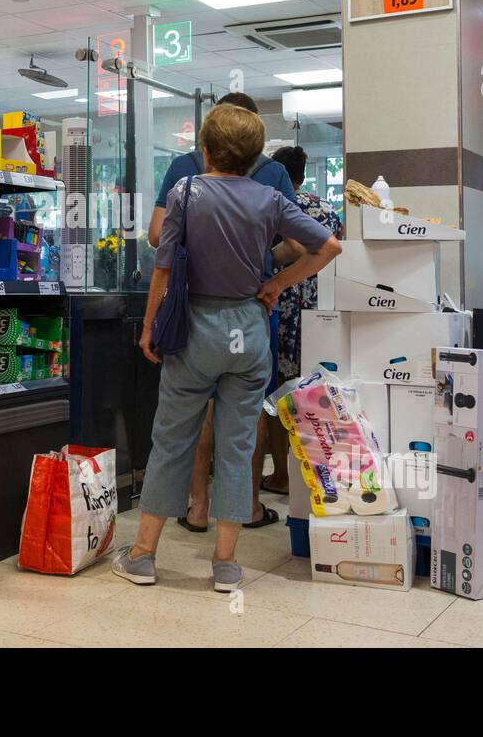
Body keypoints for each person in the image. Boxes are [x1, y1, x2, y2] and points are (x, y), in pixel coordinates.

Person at [115, 104, 342, 591]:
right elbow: (328, 246)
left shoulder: (186, 191)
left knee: (172, 440)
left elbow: (164, 266)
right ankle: (225, 565)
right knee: (239, 448)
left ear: (205, 150)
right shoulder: (269, 199)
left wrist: (150, 326)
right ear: (257, 154)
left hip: (195, 329)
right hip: (249, 329)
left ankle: (143, 555)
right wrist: (278, 283)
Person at [146, 93, 305, 530]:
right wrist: (264, 263)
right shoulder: (271, 173)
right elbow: (300, 245)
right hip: (251, 310)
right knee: (241, 418)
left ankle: (196, 508)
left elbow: (158, 236)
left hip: (191, 311)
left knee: (187, 417)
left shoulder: (184, 169)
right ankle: (246, 511)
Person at [259, 146, 342, 496]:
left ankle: (282, 474)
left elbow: (268, 256)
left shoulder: (275, 207)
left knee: (278, 398)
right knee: (314, 394)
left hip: (281, 307)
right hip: (322, 312)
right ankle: (322, 474)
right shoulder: (327, 209)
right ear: (303, 175)